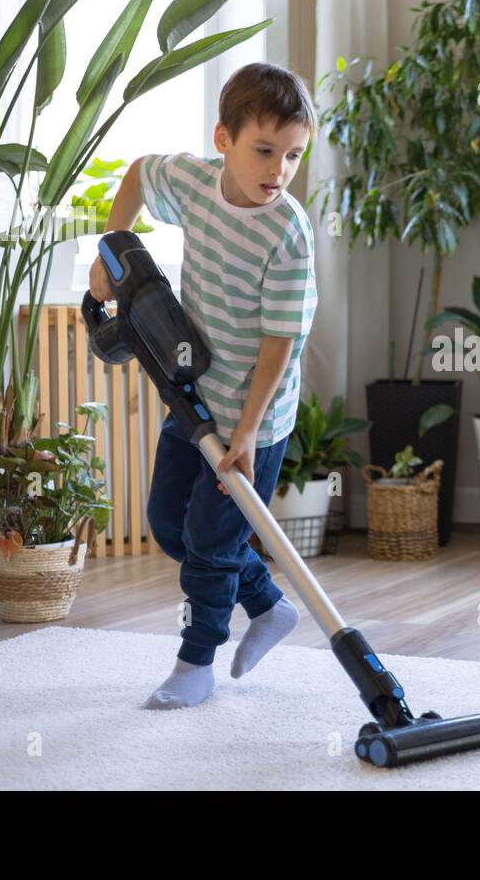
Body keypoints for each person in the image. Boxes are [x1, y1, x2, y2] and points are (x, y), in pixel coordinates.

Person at [88, 62, 318, 709]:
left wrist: (246, 431)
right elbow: (136, 174)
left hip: (255, 418)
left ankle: (195, 665)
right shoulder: (193, 183)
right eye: (265, 150)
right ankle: (269, 607)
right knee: (169, 524)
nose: (279, 170)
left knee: (212, 544)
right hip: (192, 400)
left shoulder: (288, 232)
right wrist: (111, 248)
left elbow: (281, 342)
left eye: (294, 155)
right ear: (224, 139)